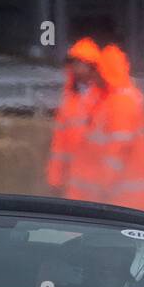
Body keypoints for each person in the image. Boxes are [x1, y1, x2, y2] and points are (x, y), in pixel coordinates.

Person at [82, 44, 144, 210]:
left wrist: (104, 183)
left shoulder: (121, 101)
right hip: (121, 189)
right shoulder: (115, 97)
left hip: (124, 193)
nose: (94, 76)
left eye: (98, 71)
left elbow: (118, 148)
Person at [47, 37, 103, 196]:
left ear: (93, 67)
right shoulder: (68, 99)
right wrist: (55, 180)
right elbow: (59, 144)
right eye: (74, 63)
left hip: (101, 182)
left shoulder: (105, 97)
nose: (77, 68)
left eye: (82, 63)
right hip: (75, 183)